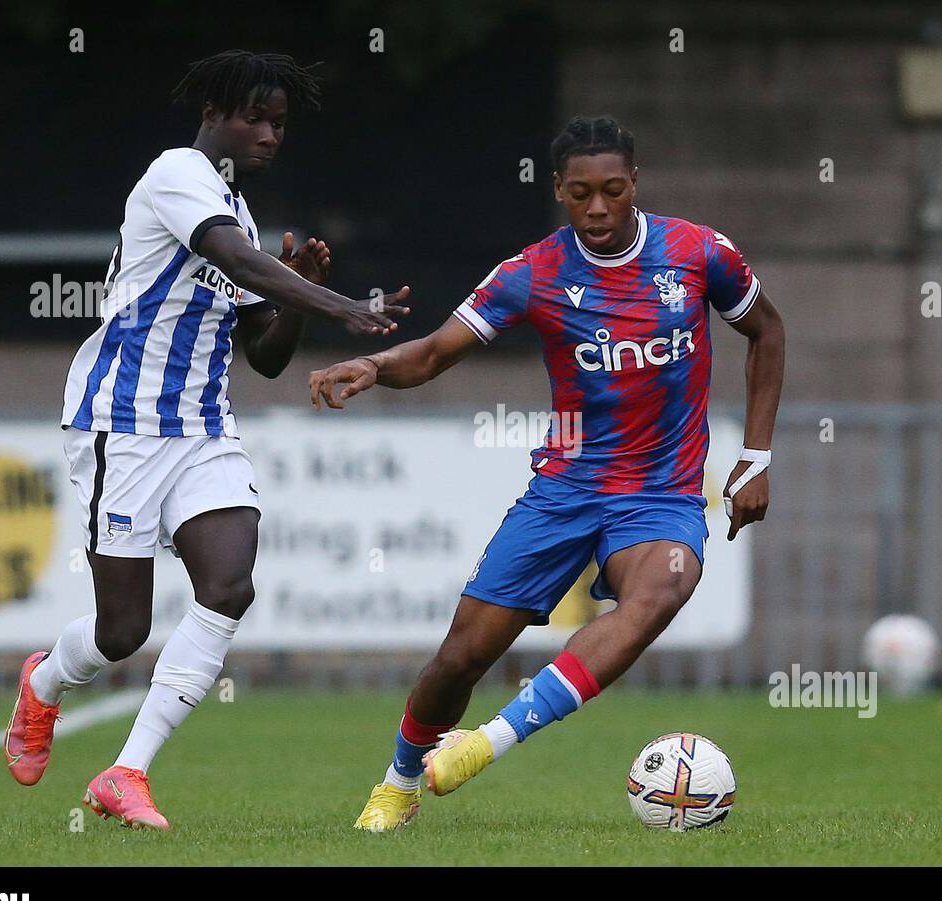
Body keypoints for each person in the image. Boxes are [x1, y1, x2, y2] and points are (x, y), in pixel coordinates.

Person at [307, 116, 785, 831]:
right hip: (566, 490)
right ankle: (398, 783)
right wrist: (375, 365)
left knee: (664, 589)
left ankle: (487, 744)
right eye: (582, 194)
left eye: (614, 191)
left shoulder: (698, 254)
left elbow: (766, 331)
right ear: (560, 191)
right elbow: (436, 352)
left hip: (660, 493)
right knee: (461, 658)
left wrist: (755, 458)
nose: (598, 209)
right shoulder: (532, 275)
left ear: (635, 186)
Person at [3, 50, 409, 830]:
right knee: (122, 634)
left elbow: (264, 354)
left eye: (280, 123)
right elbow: (229, 255)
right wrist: (336, 305)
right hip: (121, 425)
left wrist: (290, 290)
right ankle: (46, 684)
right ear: (214, 115)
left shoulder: (243, 217)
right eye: (254, 117)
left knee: (228, 585)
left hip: (202, 428)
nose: (267, 134)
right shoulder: (176, 176)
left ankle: (126, 772)